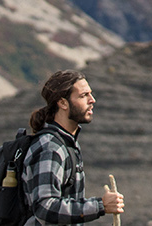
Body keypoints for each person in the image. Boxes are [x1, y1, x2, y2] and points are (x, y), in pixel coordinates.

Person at [22, 69, 124, 224]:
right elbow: (45, 206)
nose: (92, 100)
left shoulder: (67, 144)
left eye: (90, 94)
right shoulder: (51, 147)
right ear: (63, 103)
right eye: (84, 96)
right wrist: (100, 205)